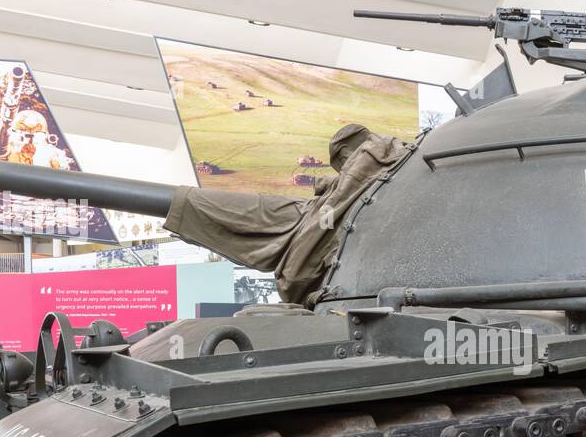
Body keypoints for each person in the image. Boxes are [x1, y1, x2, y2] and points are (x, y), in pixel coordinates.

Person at [164, 123, 411, 305]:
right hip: (313, 222)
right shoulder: (390, 161)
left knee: (263, 213)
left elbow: (322, 224)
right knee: (260, 211)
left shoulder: (369, 159)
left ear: (347, 151)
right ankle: (188, 205)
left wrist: (293, 270)